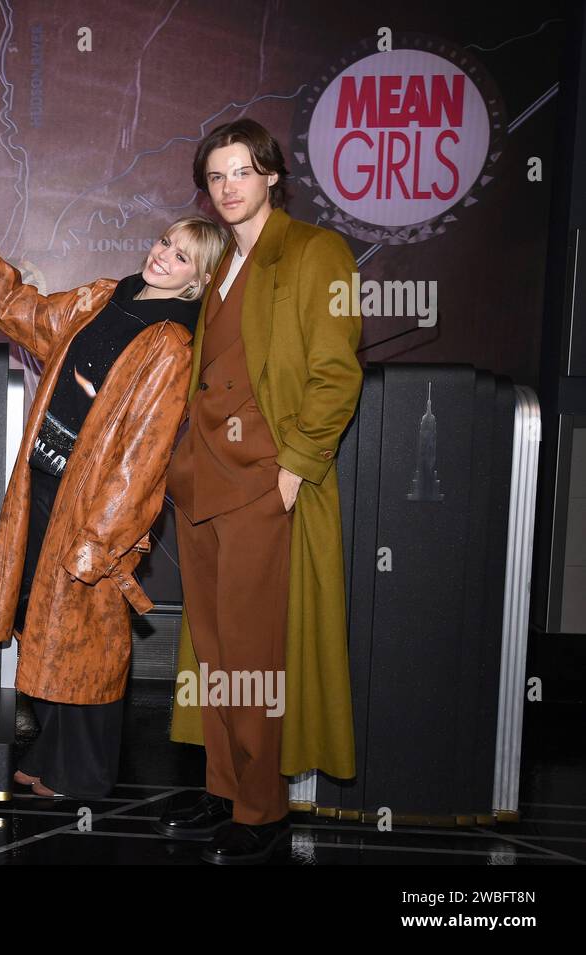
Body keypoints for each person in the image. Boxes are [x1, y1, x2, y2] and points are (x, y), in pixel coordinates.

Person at [0, 212, 227, 801]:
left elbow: (143, 454)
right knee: (44, 627)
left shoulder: (171, 344)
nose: (162, 256)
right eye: (166, 241)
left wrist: (104, 535)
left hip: (96, 511)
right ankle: (51, 755)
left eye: (181, 257)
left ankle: (85, 775)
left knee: (88, 642)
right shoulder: (103, 296)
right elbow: (31, 315)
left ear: (197, 282)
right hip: (44, 481)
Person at [157, 118, 362, 864]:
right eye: (215, 177)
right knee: (212, 651)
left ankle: (262, 807)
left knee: (253, 655)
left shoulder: (316, 252)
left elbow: (338, 372)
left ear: (272, 174)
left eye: (241, 171)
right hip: (201, 487)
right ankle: (223, 787)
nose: (228, 188)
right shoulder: (219, 266)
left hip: (261, 489)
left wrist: (293, 470)